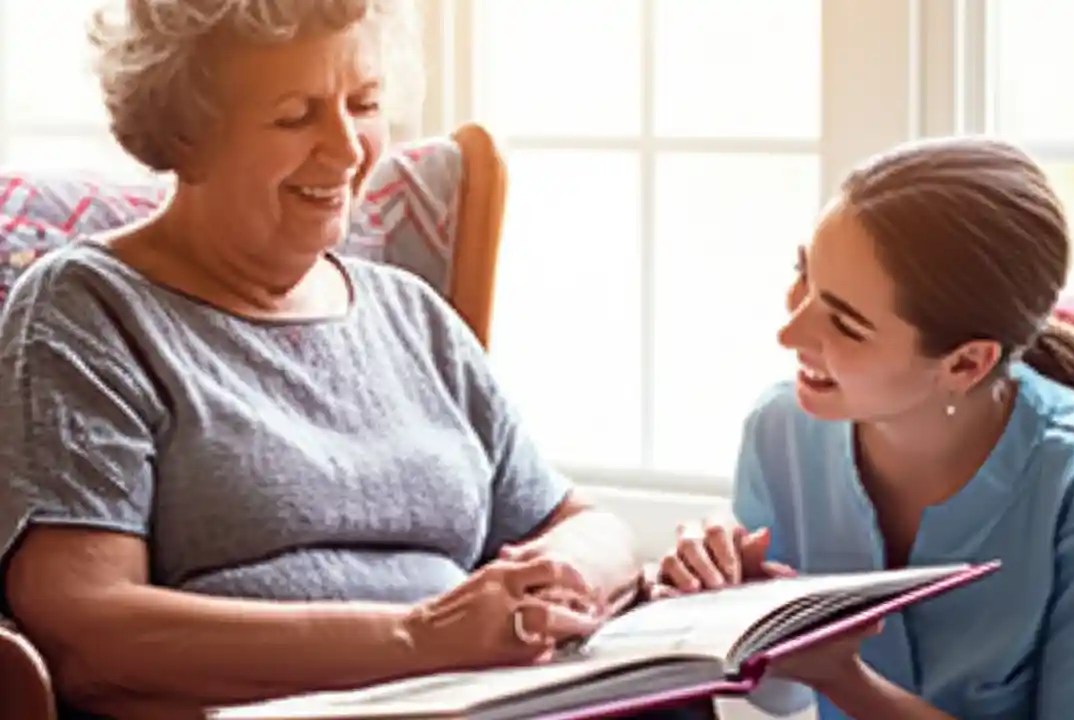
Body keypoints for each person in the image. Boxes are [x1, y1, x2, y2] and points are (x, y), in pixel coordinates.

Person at [0, 2, 713, 718]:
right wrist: (416, 639)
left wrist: (572, 576)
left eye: (364, 104)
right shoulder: (86, 310)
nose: (345, 150)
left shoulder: (410, 315)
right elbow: (86, 634)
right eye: (295, 115)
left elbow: (579, 520)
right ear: (189, 132)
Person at [652, 137, 1074, 719]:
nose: (790, 333)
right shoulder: (782, 433)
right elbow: (780, 691)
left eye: (844, 322)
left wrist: (845, 679)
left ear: (965, 363)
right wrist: (722, 610)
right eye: (804, 276)